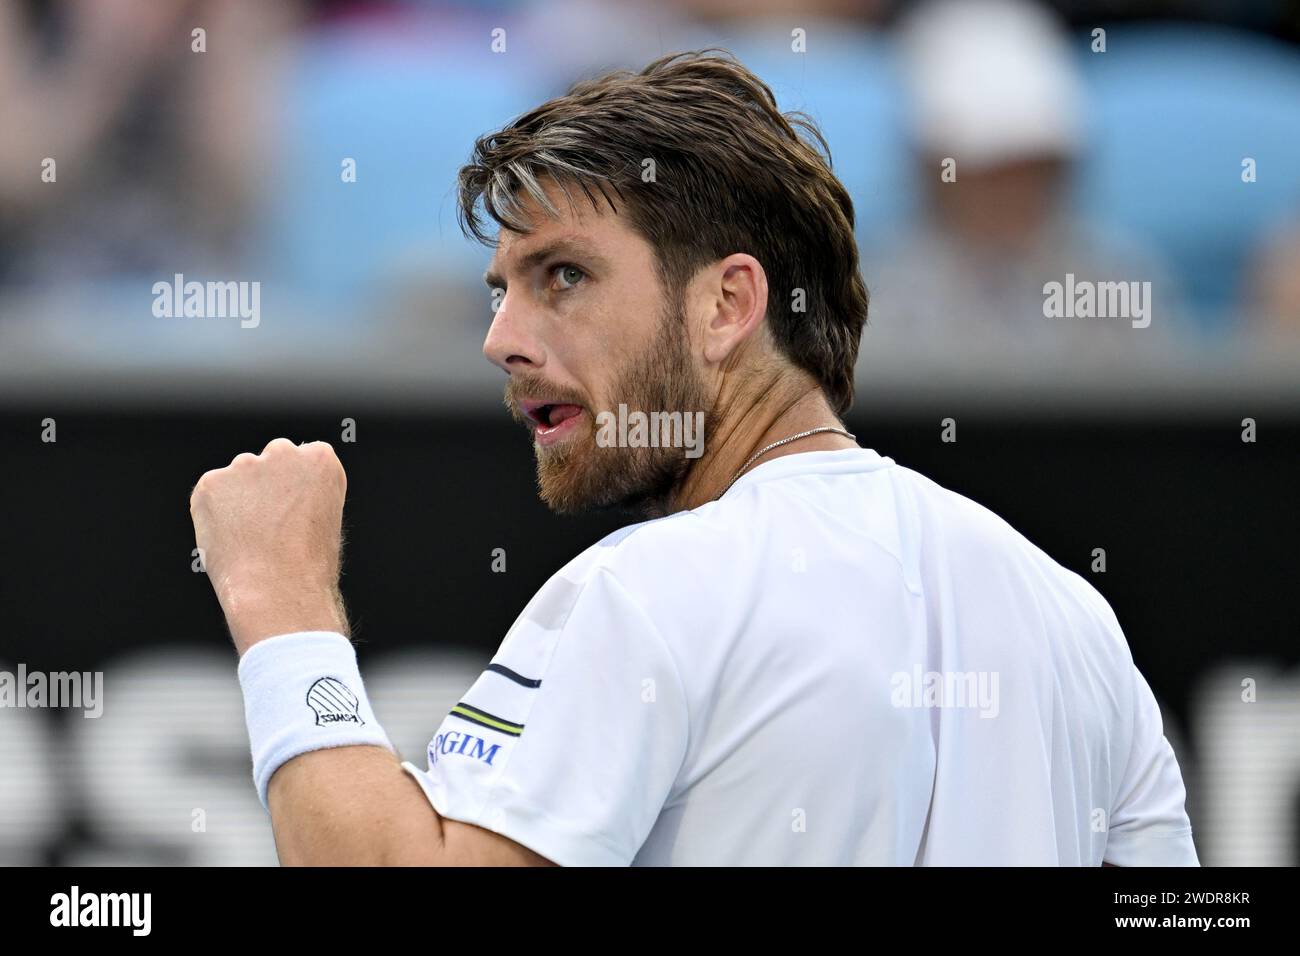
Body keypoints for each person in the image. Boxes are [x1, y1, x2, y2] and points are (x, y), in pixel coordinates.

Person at [189, 50, 1198, 866]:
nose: (502, 336)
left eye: (563, 275)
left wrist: (284, 609)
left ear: (727, 305)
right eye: (502, 287)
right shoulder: (1075, 620)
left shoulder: (648, 591)